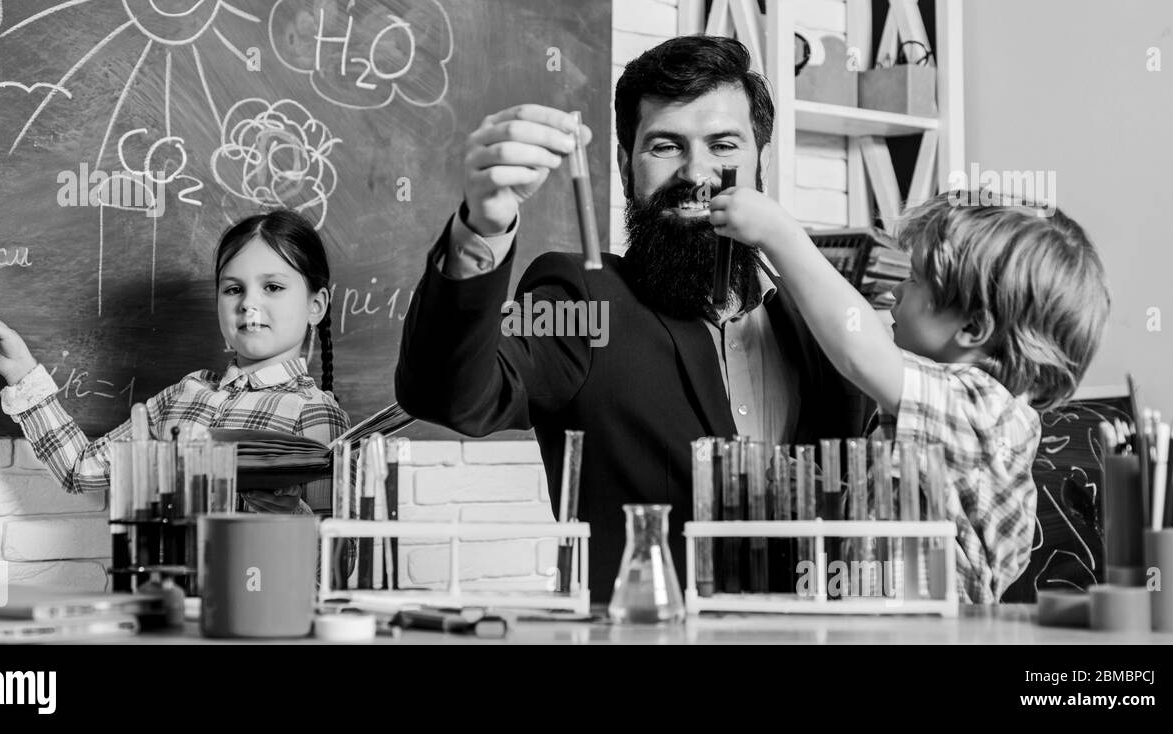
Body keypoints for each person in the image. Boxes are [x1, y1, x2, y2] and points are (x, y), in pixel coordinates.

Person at [395, 36, 866, 601]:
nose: (697, 172)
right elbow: (449, 393)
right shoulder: (584, 301)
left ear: (761, 160)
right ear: (625, 167)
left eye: (724, 144)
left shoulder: (824, 319)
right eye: (666, 145)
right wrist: (483, 227)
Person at [709, 187, 1111, 601]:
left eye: (914, 279)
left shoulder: (985, 411)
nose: (897, 292)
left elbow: (859, 351)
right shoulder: (931, 417)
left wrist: (779, 233)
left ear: (973, 328)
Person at [0, 208, 350, 514]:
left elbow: (336, 564)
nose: (249, 303)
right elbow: (81, 469)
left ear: (315, 305)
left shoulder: (313, 412)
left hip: (252, 601)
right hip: (166, 596)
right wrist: (21, 373)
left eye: (273, 287)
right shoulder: (187, 393)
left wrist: (290, 514)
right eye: (233, 288)